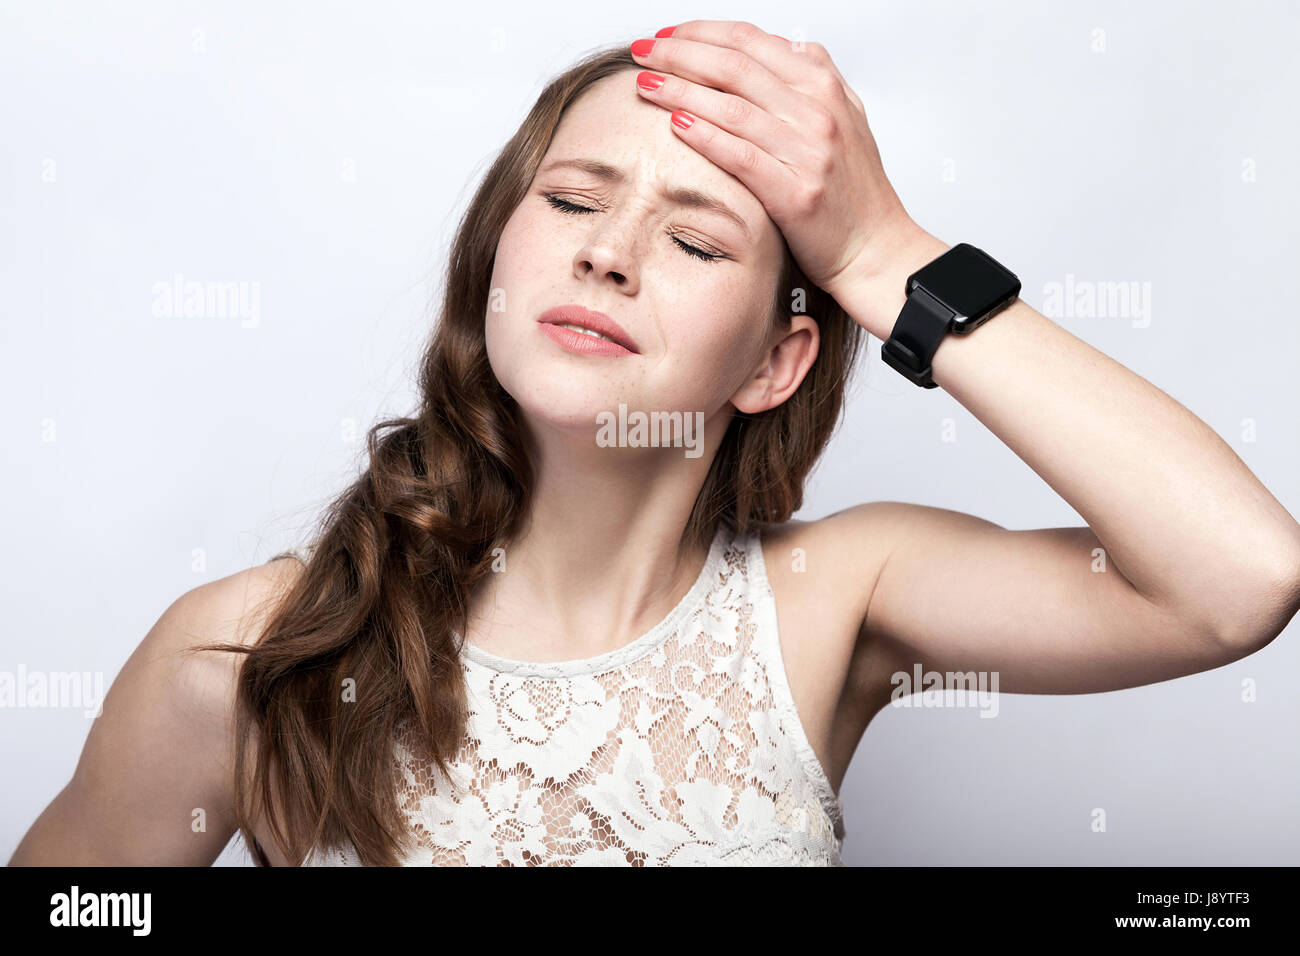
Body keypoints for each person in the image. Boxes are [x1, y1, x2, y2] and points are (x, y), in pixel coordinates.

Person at [10, 21, 1300, 867]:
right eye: (570, 201)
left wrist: (879, 254)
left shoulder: (836, 602)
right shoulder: (247, 653)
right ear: (497, 259)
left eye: (694, 242)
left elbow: (1238, 578)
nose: (609, 252)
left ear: (775, 360)